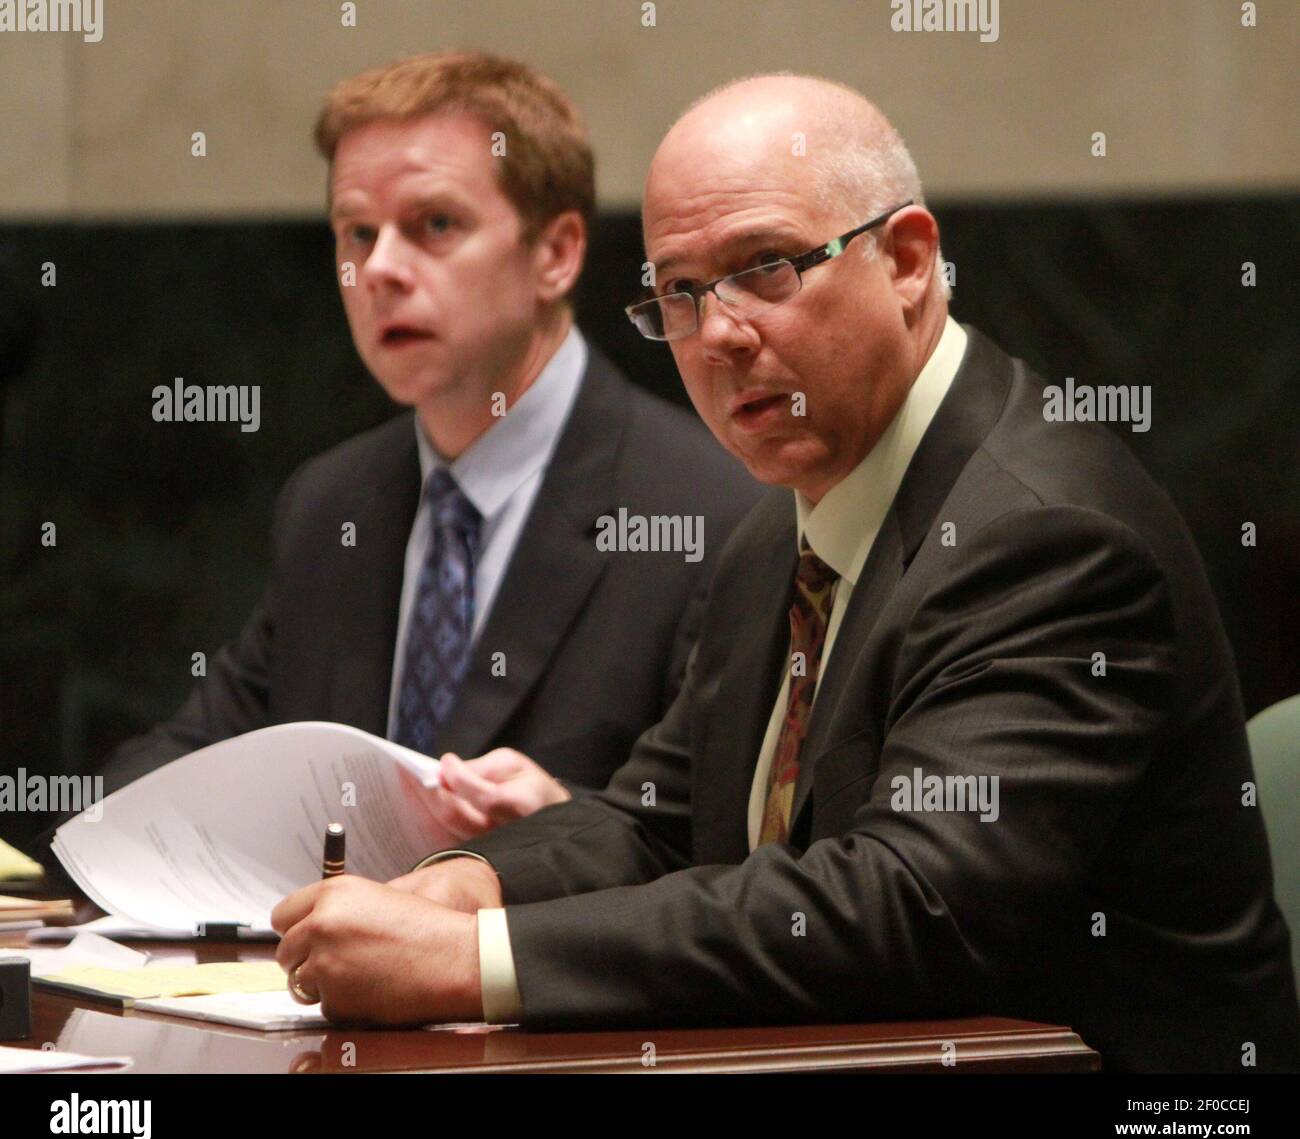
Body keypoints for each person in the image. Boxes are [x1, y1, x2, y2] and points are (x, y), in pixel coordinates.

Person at [271, 73, 1300, 1072]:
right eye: (678, 293)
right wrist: (468, 885)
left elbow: (908, 905)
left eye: (766, 266)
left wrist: (472, 962)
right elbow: (659, 818)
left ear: (905, 262)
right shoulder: (790, 520)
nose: (718, 334)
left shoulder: (1047, 538)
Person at [28, 52, 762, 861]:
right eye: (357, 232)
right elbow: (183, 764)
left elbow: (734, 857)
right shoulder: (334, 503)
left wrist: (567, 825)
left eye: (434, 225)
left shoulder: (713, 511)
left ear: (556, 253)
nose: (377, 270)